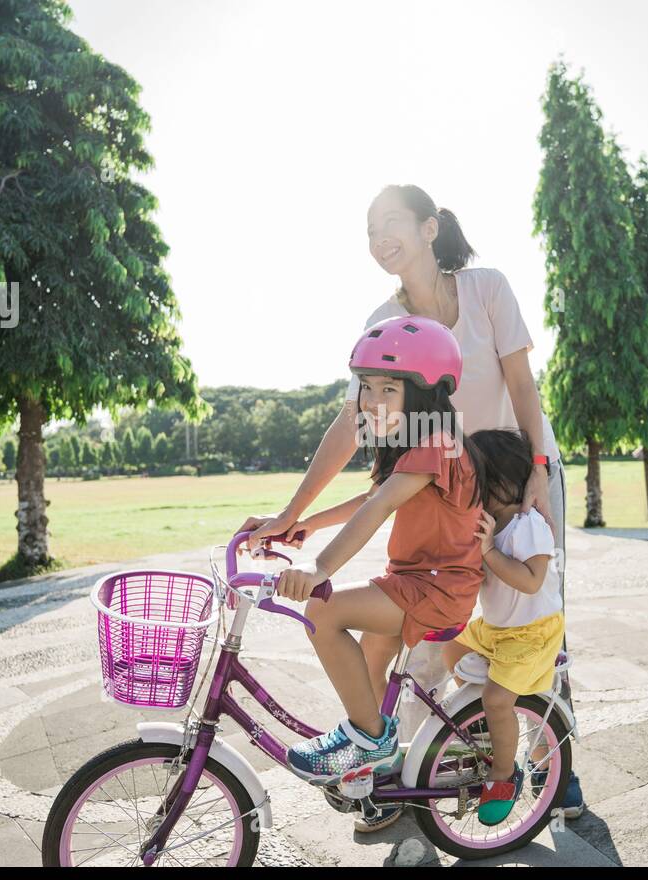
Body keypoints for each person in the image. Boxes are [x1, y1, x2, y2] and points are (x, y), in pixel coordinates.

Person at [237, 183, 584, 827]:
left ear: (430, 228)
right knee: (411, 644)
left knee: (532, 616)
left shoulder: (485, 288)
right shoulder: (385, 322)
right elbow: (356, 424)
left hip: (519, 468)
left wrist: (536, 472)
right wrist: (293, 516)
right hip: (450, 483)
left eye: (390, 222)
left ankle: (549, 757)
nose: (378, 238)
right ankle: (389, 770)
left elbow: (520, 382)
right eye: (369, 229)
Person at [274, 317, 486, 783]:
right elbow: (373, 496)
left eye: (388, 389)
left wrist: (319, 567)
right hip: (411, 582)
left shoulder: (438, 443)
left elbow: (380, 506)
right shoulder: (411, 441)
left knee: (322, 611)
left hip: (435, 590)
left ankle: (370, 743)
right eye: (366, 386)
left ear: (427, 392)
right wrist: (307, 524)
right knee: (367, 683)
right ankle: (371, 769)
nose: (370, 400)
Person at [435, 428, 564, 825]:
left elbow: (530, 580)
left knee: (496, 700)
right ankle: (490, 726)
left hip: (531, 634)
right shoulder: (489, 522)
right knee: (450, 643)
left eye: (478, 481)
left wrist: (488, 550)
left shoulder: (529, 525)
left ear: (504, 484)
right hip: (495, 627)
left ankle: (505, 774)